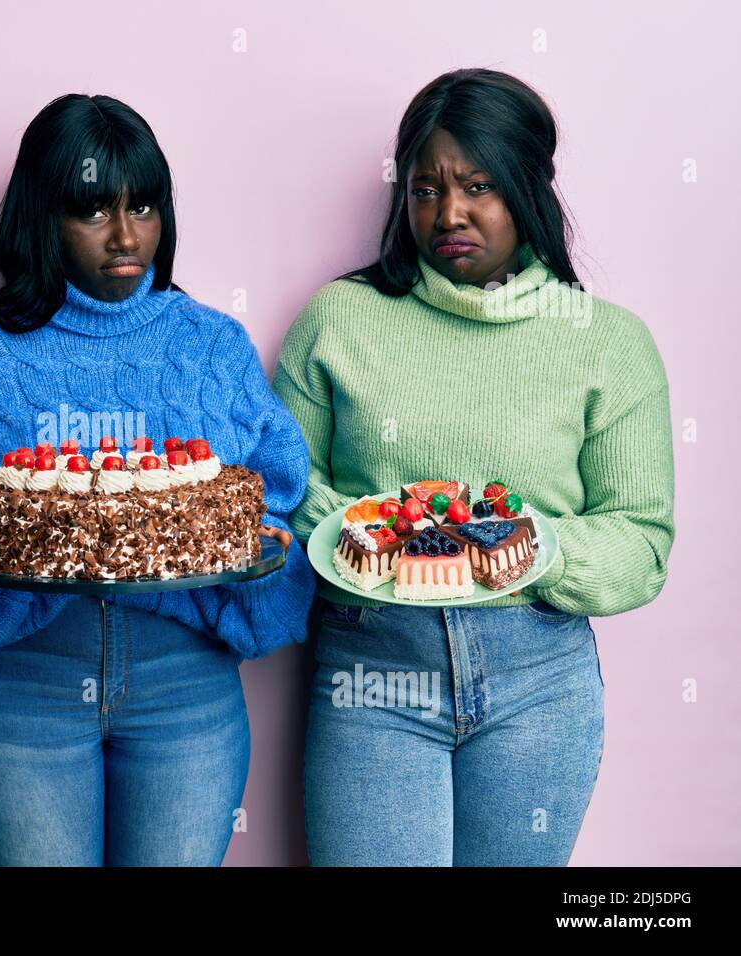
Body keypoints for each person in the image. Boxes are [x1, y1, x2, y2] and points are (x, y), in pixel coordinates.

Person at [0, 94, 314, 866]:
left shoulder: (212, 345)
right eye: (93, 212)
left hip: (185, 685)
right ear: (42, 217)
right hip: (20, 684)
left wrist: (264, 542)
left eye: (144, 207)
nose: (126, 237)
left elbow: (276, 498)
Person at [273, 69, 674, 865]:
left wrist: (521, 549)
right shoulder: (338, 320)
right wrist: (367, 536)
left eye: (478, 186)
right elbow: (278, 489)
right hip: (374, 672)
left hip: (540, 683)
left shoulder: (609, 343)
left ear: (528, 190)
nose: (447, 213)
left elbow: (642, 540)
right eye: (425, 189)